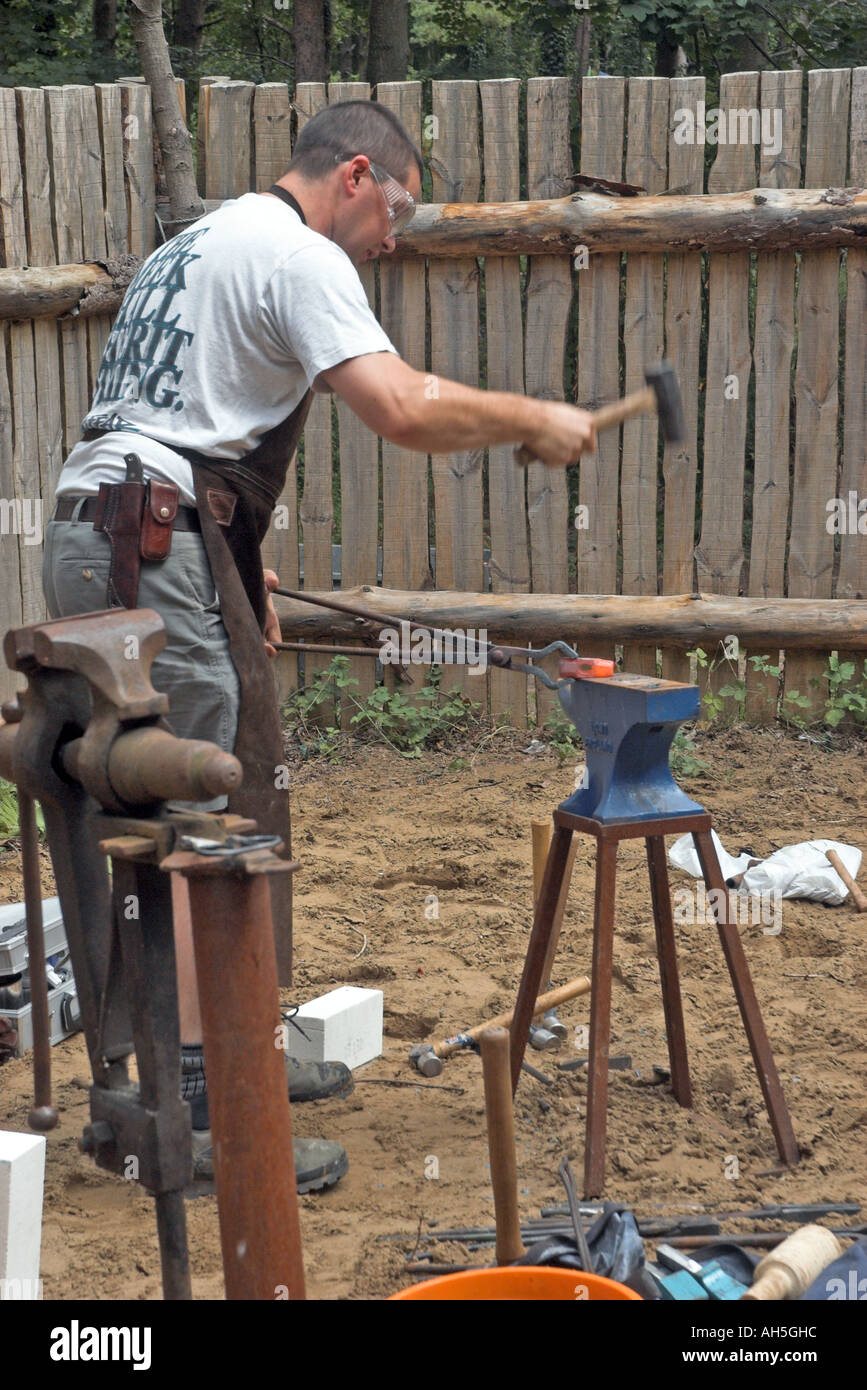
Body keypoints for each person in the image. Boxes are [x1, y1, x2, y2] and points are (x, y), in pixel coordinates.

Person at [42, 99, 596, 1192]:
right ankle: (202, 1109)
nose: (393, 238)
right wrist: (533, 417)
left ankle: (226, 1051)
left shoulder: (203, 241)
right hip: (148, 541)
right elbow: (399, 406)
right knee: (195, 818)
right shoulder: (299, 254)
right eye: (397, 210)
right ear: (355, 177)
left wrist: (236, 564)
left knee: (195, 797)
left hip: (114, 528)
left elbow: (184, 418)